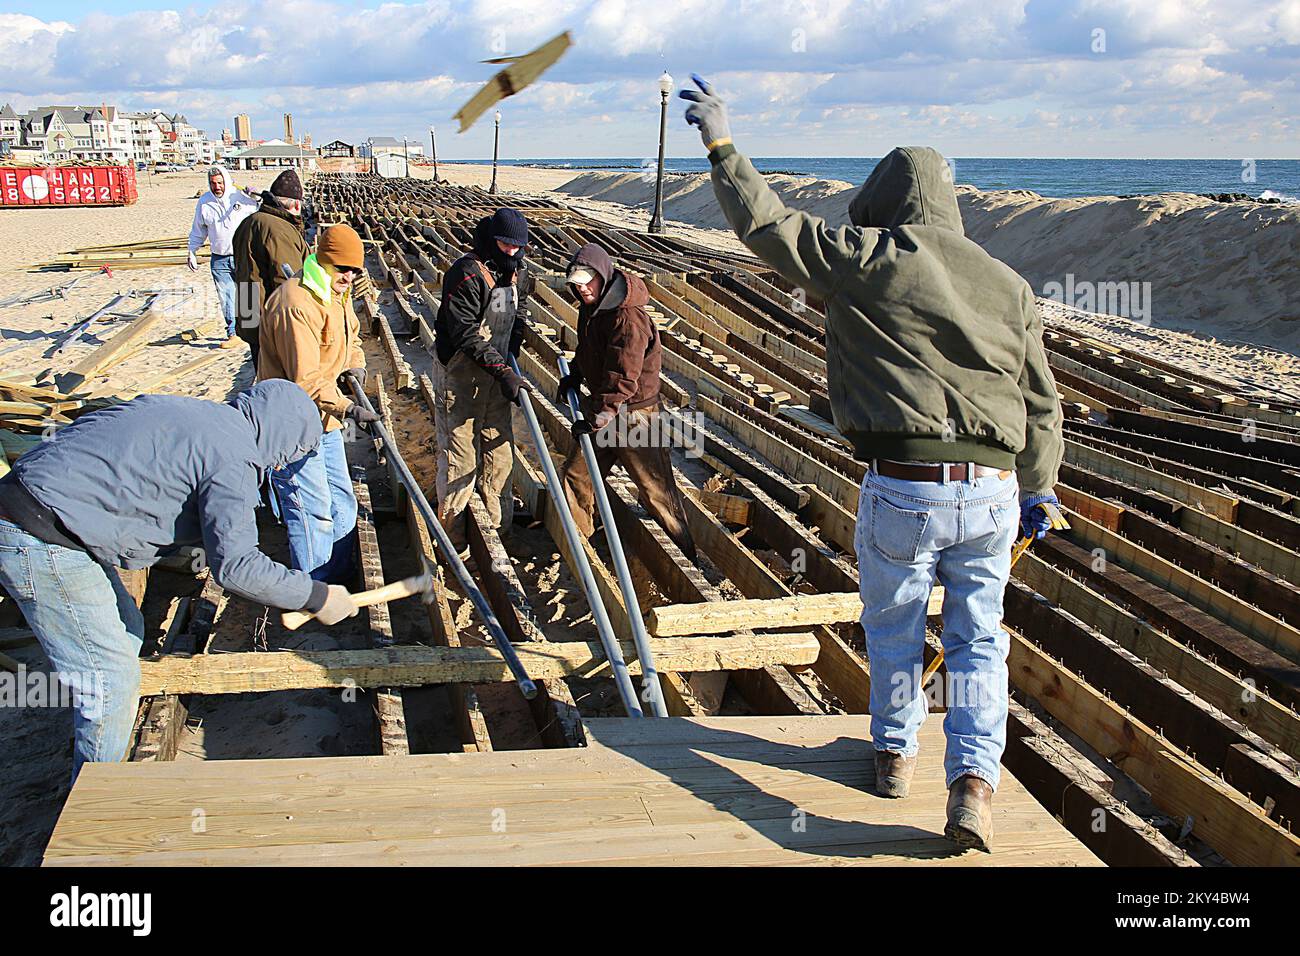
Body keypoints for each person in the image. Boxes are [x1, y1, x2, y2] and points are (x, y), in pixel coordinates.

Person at [682, 74, 1064, 851]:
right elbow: (1041, 403)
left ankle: (894, 756)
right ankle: (973, 787)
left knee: (893, 630)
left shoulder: (871, 257)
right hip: (993, 492)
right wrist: (1042, 488)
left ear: (887, 202)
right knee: (978, 639)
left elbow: (772, 228)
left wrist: (722, 144)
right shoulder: (1009, 284)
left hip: (905, 488)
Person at [0, 380, 360, 780]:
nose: (278, 467)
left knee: (126, 627)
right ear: (282, 436)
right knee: (110, 683)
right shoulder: (234, 459)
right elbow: (238, 568)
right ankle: (92, 804)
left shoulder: (202, 416)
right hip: (41, 535)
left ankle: (105, 733)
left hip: (34, 504)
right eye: (286, 456)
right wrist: (316, 595)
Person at [557, 242, 697, 561]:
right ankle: (581, 551)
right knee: (578, 476)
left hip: (636, 414)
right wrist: (576, 373)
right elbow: (591, 350)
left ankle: (686, 556)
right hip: (605, 407)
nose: (582, 289)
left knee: (655, 490)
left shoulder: (627, 318)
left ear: (602, 276)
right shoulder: (591, 308)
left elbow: (623, 374)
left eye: (587, 281)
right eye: (576, 284)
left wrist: (599, 416)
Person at [257, 224, 371, 583]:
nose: (350, 277)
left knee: (342, 502)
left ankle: (336, 579)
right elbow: (305, 380)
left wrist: (356, 364)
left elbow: (350, 334)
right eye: (344, 269)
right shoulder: (296, 304)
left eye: (356, 271)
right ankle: (312, 592)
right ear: (324, 262)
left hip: (324, 419)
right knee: (312, 512)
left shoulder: (336, 293)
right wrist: (348, 408)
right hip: (290, 422)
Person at [431, 207, 533, 551]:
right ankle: (454, 540)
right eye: (506, 245)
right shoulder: (467, 274)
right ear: (492, 240)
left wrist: (510, 357)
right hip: (461, 377)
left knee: (499, 452)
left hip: (495, 376)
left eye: (519, 247)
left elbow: (517, 318)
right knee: (461, 460)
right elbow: (466, 335)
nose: (513, 253)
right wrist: (502, 369)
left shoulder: (518, 272)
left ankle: (497, 531)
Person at [232, 169, 309, 368]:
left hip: (248, 306)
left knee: (260, 366)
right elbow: (288, 281)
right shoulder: (279, 230)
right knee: (280, 374)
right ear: (297, 204)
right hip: (270, 318)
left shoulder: (248, 223)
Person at [187, 165, 260, 348]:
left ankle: (251, 332)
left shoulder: (240, 197)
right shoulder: (204, 202)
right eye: (213, 183)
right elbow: (199, 229)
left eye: (219, 182)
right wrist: (192, 250)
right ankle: (233, 333)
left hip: (243, 255)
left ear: (226, 181)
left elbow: (261, 212)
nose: (217, 187)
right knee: (227, 296)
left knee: (246, 293)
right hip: (219, 258)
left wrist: (256, 197)